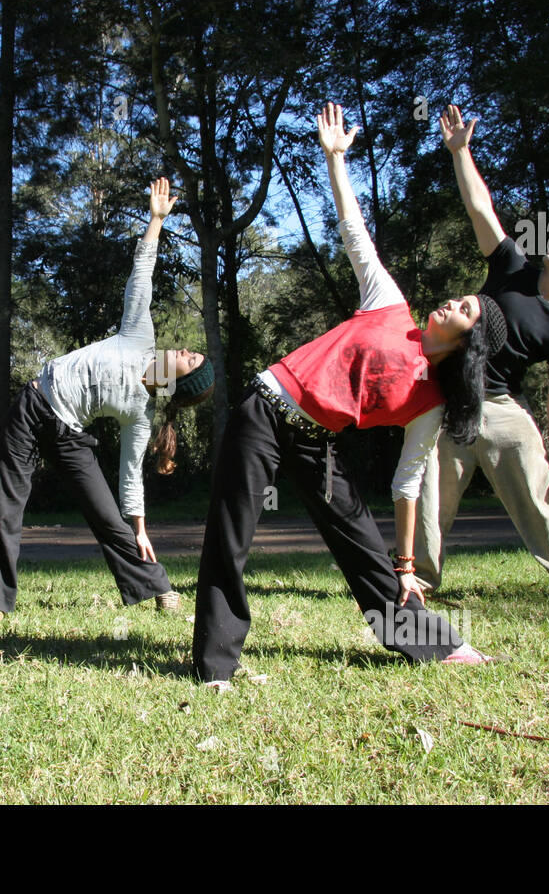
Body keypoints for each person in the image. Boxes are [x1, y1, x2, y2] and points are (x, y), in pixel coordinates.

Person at [193, 103, 506, 684]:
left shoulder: (432, 401)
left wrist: (408, 563)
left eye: (463, 310)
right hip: (266, 409)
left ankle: (426, 642)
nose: (450, 303)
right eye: (457, 298)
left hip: (317, 442)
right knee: (231, 534)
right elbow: (354, 230)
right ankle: (216, 666)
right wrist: (336, 160)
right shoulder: (390, 304)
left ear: (469, 343)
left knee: (361, 539)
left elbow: (407, 482)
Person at [0, 178, 213, 619]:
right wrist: (156, 221)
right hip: (33, 405)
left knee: (108, 517)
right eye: (190, 350)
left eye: (191, 359)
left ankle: (155, 584)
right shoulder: (140, 336)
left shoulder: (141, 415)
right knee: (7, 506)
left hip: (69, 432)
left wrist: (141, 528)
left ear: (182, 382)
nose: (185, 351)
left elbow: (131, 479)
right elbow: (141, 276)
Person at [412, 105, 549, 601]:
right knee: (428, 499)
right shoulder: (511, 267)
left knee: (542, 498)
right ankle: (416, 581)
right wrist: (460, 151)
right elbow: (480, 208)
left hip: (502, 411)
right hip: (447, 403)